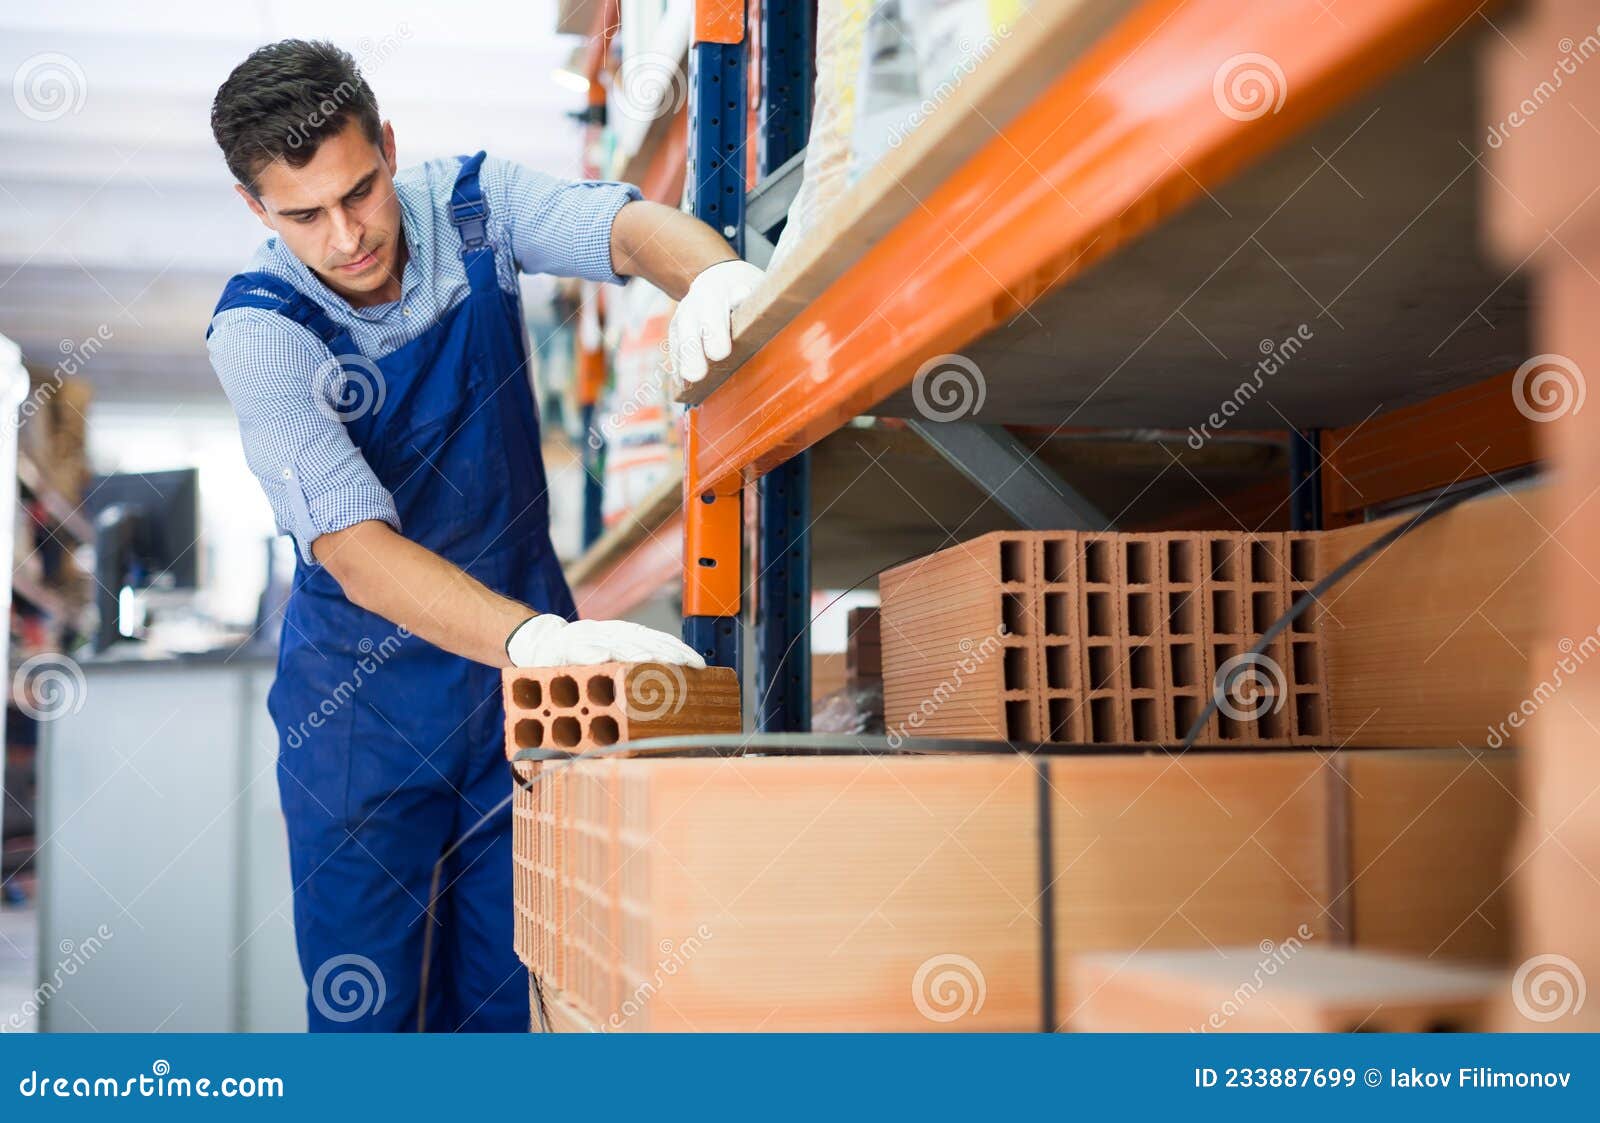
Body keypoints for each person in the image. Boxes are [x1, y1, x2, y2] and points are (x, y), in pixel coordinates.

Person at [205, 39, 763, 1031]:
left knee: (518, 995)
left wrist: (714, 276)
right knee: (369, 1022)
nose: (346, 236)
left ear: (388, 145)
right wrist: (538, 641)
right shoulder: (260, 330)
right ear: (257, 210)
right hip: (362, 718)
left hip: (523, 708)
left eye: (361, 191)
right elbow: (353, 546)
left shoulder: (473, 206)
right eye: (304, 214)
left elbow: (628, 230)